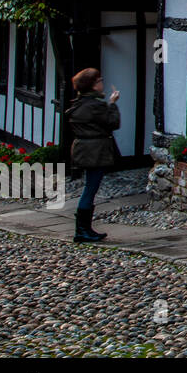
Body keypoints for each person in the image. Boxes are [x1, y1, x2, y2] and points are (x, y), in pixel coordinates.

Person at [66, 68, 121, 243]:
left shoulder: (78, 104)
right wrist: (112, 104)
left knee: (90, 187)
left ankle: (84, 229)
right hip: (95, 151)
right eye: (99, 80)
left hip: (83, 149)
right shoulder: (95, 106)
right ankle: (82, 230)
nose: (102, 83)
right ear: (93, 85)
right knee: (90, 189)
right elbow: (113, 123)